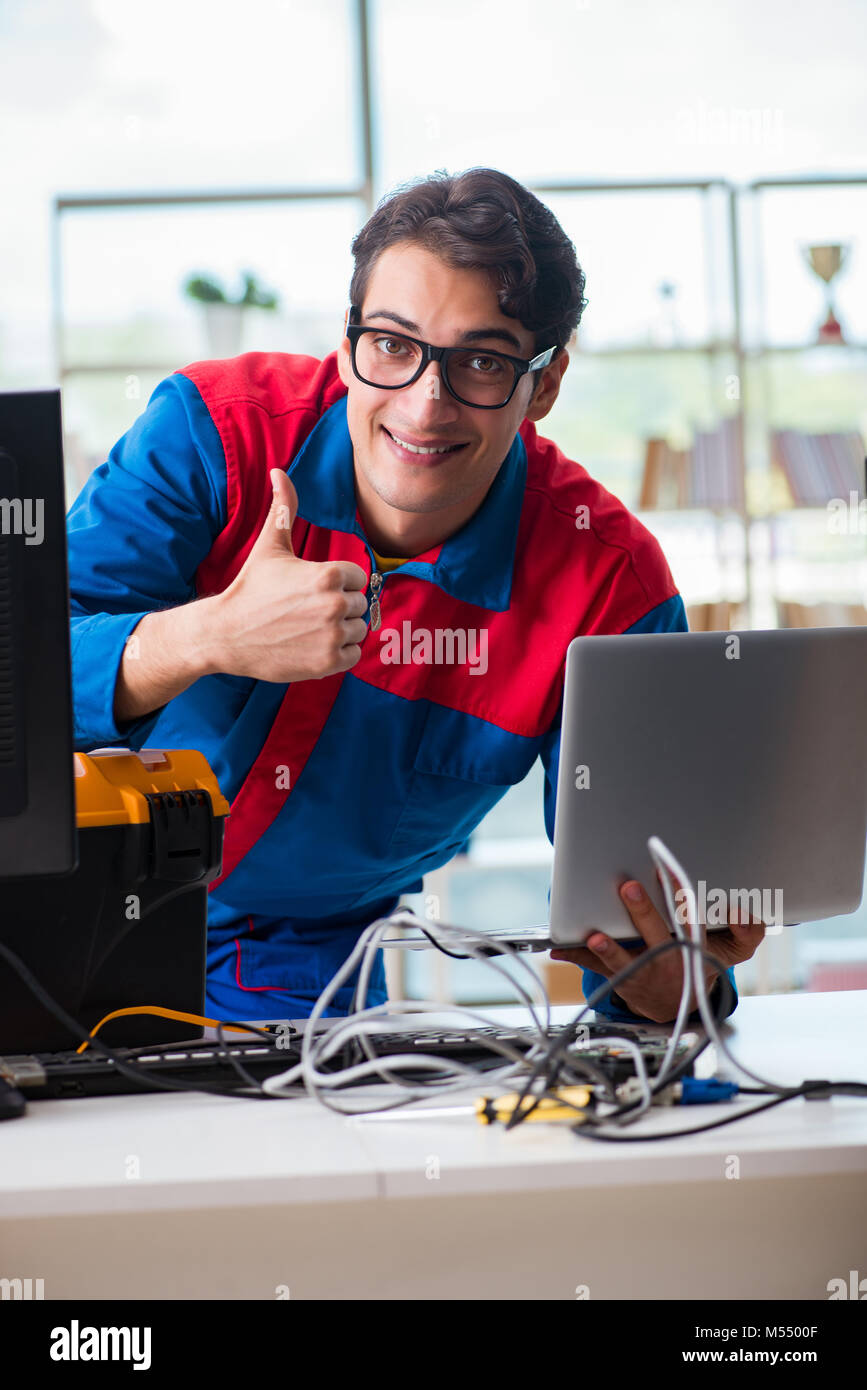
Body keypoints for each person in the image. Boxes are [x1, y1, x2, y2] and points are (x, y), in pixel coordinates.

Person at [66, 166, 764, 1024]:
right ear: (348, 339)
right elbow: (23, 677)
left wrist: (672, 984)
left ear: (542, 385)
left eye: (479, 361)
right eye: (392, 345)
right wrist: (206, 637)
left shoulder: (608, 587)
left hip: (295, 964)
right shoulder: (213, 432)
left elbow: (633, 915)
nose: (424, 405)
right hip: (61, 896)